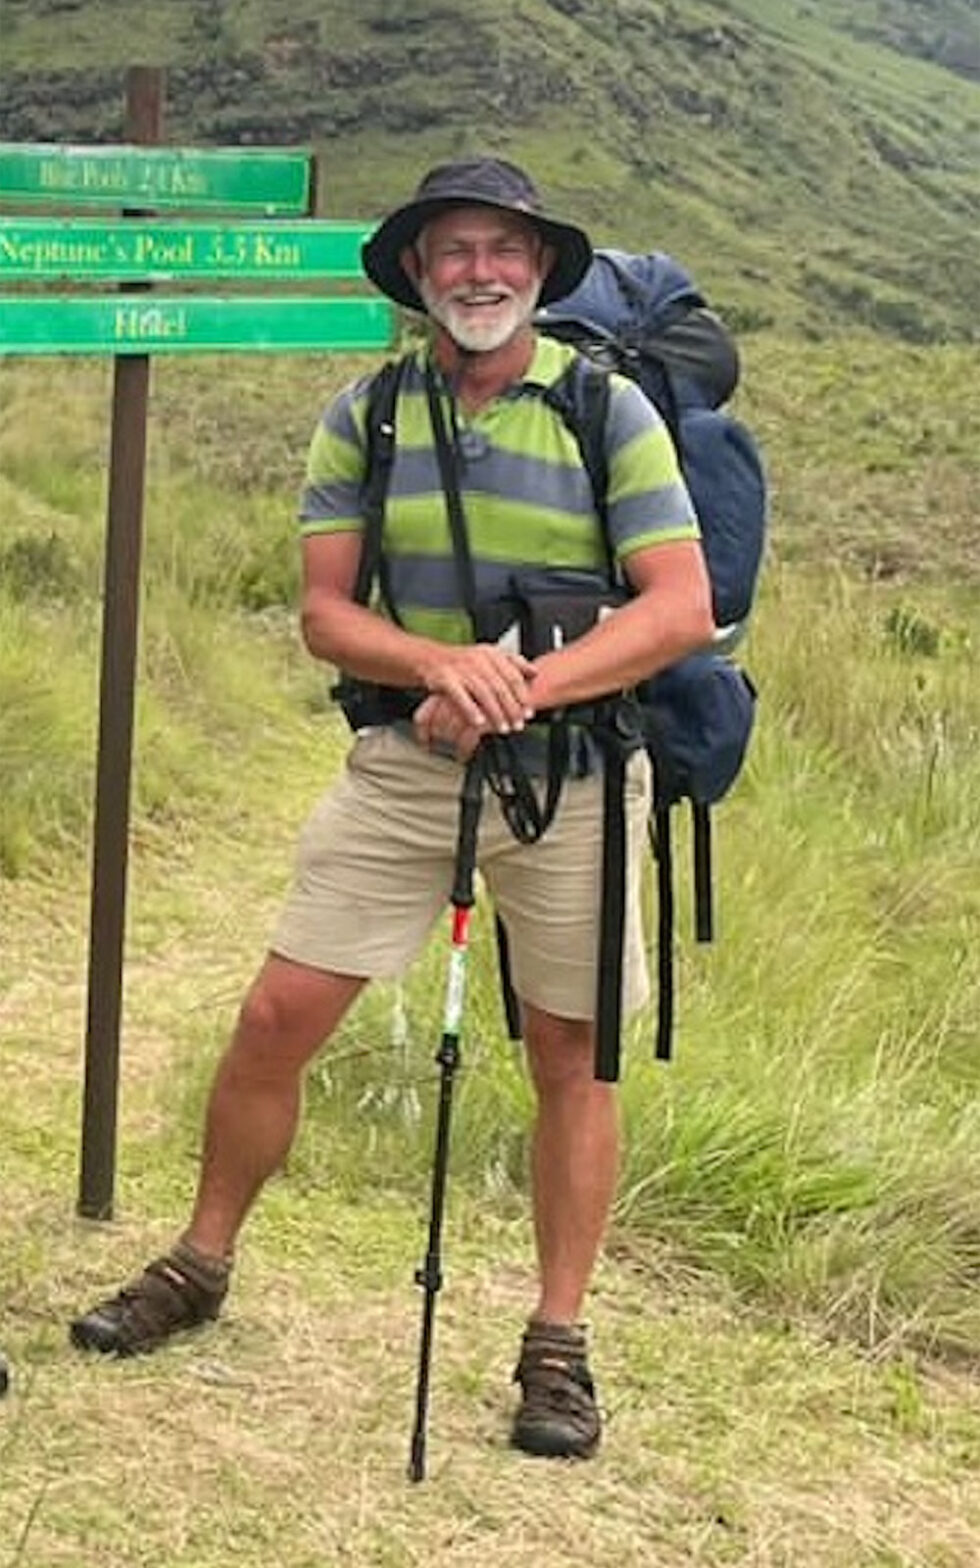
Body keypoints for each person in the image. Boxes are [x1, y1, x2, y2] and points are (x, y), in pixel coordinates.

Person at [70, 156, 714, 1459]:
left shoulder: (611, 412)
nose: (481, 271)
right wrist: (437, 668)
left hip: (578, 780)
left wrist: (510, 687)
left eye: (504, 250)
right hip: (409, 769)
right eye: (455, 251)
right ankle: (199, 1265)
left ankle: (558, 1348)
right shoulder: (363, 417)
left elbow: (677, 609)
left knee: (570, 1062)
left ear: (539, 270)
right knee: (276, 1017)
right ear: (418, 274)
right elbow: (325, 613)